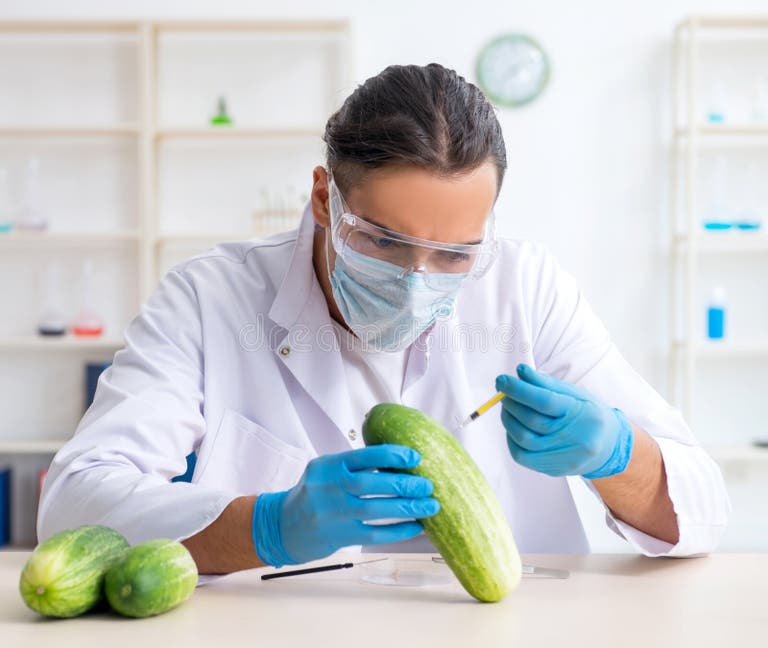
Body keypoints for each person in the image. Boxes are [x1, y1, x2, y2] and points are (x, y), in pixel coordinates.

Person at [38, 63, 729, 574]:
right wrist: (268, 526)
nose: (415, 280)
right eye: (385, 241)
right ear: (323, 198)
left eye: (456, 253)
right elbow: (71, 507)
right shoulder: (209, 299)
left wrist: (617, 454)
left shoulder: (528, 288)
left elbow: (703, 506)